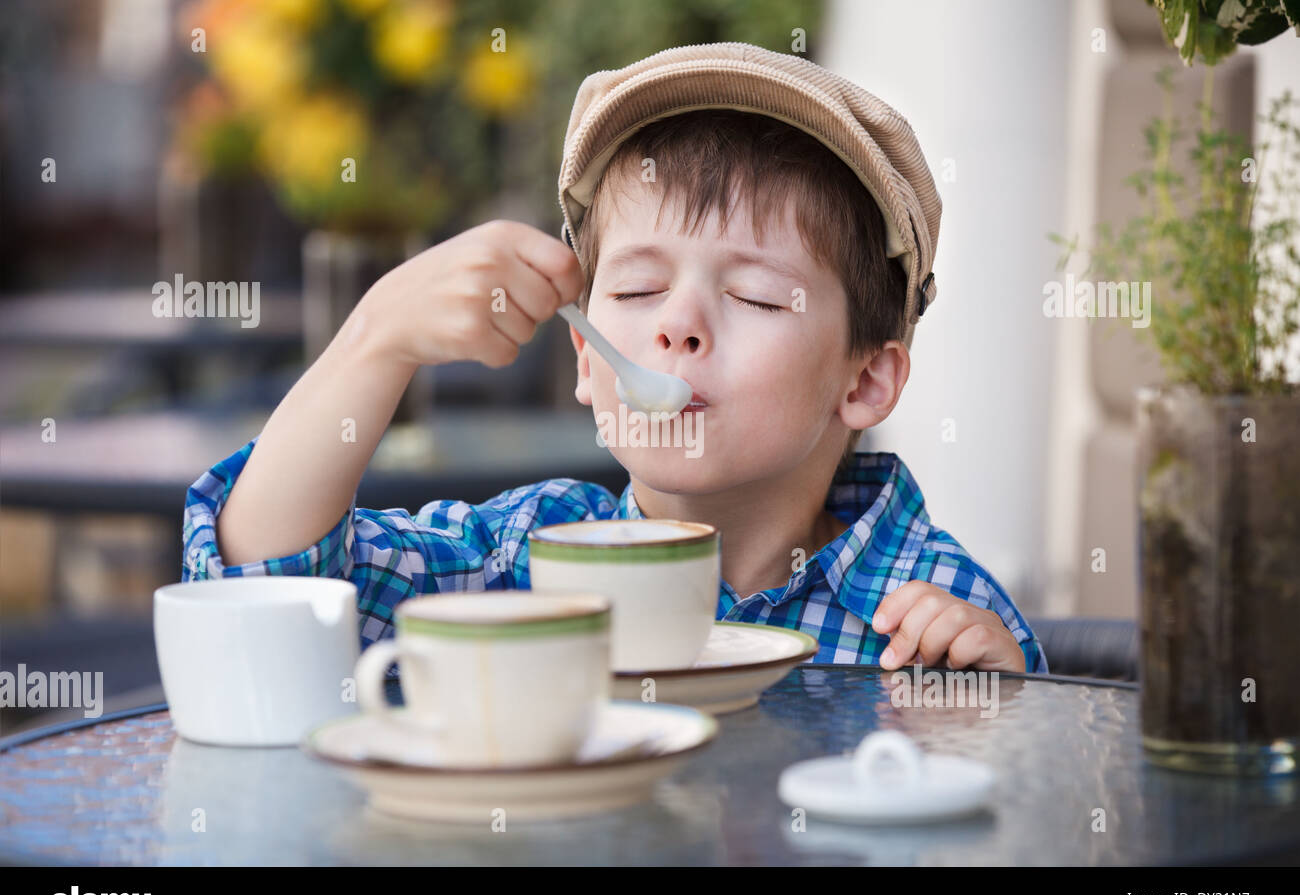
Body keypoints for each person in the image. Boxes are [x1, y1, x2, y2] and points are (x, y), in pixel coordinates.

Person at [183, 42, 1047, 674]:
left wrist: (1000, 717)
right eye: (635, 293)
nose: (678, 326)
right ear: (587, 363)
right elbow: (261, 576)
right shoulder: (520, 559)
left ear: (864, 380)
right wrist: (377, 337)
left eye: (750, 296)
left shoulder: (936, 611)